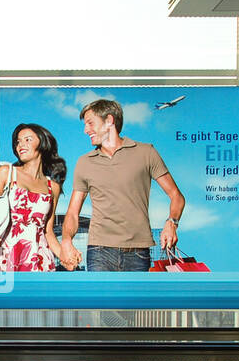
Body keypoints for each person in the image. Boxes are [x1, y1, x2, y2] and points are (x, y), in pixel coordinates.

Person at [60, 99, 186, 272]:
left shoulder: (146, 153)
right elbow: (73, 212)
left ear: (109, 120)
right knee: (100, 300)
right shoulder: (84, 163)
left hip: (138, 253)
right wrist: (66, 241)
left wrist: (172, 223)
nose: (86, 130)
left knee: (136, 301)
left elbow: (176, 196)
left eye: (90, 123)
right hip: (99, 251)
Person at [0, 123, 71, 271]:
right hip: (5, 256)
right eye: (18, 141)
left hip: (39, 261)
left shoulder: (53, 187)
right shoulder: (6, 173)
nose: (21, 145)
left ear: (42, 142)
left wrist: (66, 257)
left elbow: (48, 232)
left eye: (28, 139)